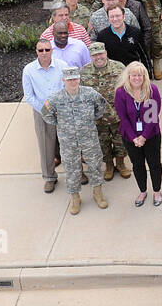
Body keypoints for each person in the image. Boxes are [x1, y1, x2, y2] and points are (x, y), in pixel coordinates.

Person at [41, 66, 108, 215]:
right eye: (69, 79)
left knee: (95, 165)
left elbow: (101, 107)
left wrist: (90, 121)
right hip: (68, 141)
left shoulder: (90, 94)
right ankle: (75, 197)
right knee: (72, 170)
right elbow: (46, 114)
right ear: (63, 80)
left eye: (75, 78)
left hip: (89, 138)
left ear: (79, 78)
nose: (73, 82)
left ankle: (97, 193)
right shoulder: (56, 98)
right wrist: (62, 125)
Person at [115, 60, 162, 207]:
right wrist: (134, 138)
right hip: (130, 137)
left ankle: (157, 191)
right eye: (134, 75)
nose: (137, 78)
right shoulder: (121, 92)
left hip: (151, 135)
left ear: (145, 77)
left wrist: (143, 137)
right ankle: (142, 191)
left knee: (154, 164)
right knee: (138, 165)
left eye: (140, 75)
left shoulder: (152, 90)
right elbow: (123, 118)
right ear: (128, 76)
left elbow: (153, 117)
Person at [79, 43, 128, 182]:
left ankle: (120, 163)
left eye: (100, 53)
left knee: (121, 143)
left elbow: (127, 90)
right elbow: (82, 96)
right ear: (91, 56)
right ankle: (109, 166)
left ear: (106, 53)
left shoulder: (119, 68)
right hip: (98, 119)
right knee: (103, 145)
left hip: (117, 115)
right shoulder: (84, 72)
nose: (98, 57)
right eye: (95, 55)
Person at [23, 38, 65, 193]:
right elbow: (29, 96)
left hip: (62, 110)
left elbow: (67, 87)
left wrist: (60, 107)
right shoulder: (29, 70)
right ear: (36, 51)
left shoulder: (62, 66)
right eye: (41, 50)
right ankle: (49, 177)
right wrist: (44, 109)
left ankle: (76, 173)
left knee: (69, 143)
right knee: (46, 146)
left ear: (52, 50)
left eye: (47, 50)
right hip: (42, 112)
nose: (44, 53)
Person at [95, 5, 149, 75]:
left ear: (123, 16)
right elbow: (100, 57)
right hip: (113, 73)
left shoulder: (135, 32)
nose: (115, 19)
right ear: (108, 18)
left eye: (118, 16)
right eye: (112, 16)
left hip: (133, 72)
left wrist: (148, 74)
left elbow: (144, 55)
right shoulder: (102, 36)